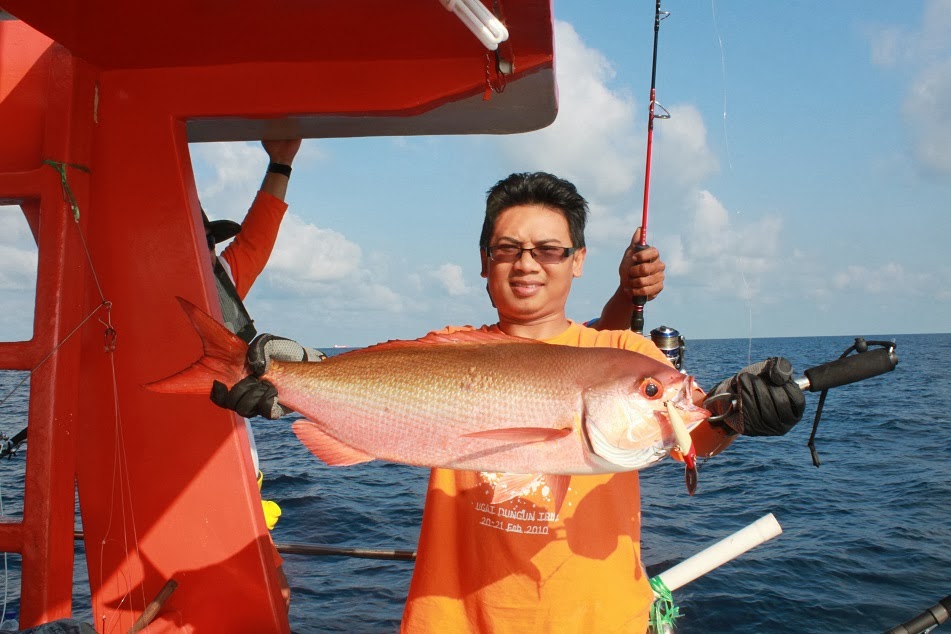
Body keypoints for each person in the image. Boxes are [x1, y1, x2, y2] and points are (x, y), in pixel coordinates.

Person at [210, 172, 805, 632]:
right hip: (453, 621)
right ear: (483, 262)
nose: (527, 263)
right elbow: (363, 399)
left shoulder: (625, 350)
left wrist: (741, 414)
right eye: (506, 248)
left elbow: (691, 437)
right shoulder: (444, 349)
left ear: (578, 262)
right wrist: (284, 387)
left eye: (548, 249)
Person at [201, 138, 323, 610]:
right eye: (203, 239)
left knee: (273, 596)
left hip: (240, 489)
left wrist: (281, 162)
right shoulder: (142, 306)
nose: (213, 249)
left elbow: (257, 236)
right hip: (191, 490)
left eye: (212, 239)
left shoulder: (221, 278)